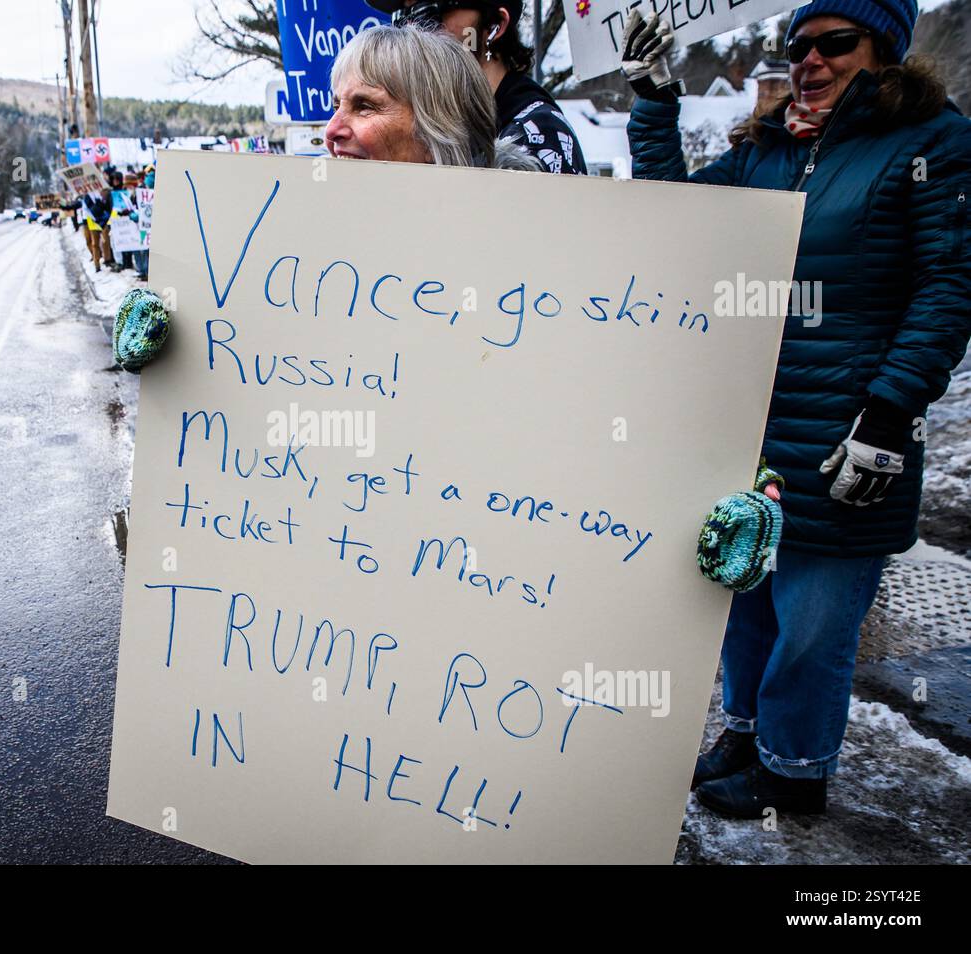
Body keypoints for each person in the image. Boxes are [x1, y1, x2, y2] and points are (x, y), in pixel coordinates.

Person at [623, 0, 971, 818]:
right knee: (746, 597)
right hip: (753, 431)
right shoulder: (768, 150)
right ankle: (745, 734)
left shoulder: (932, 143)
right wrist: (654, 101)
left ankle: (795, 772)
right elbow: (670, 217)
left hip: (849, 434)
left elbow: (949, 287)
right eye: (798, 46)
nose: (809, 60)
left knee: (813, 625)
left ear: (885, 49)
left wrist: (887, 417)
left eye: (833, 44)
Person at [367, 0, 586, 174]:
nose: (413, 30)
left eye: (429, 12)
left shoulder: (538, 131)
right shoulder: (431, 124)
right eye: (404, 17)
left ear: (494, 26)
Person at [325, 23, 539, 169]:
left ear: (437, 132)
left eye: (364, 106)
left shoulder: (510, 228)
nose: (331, 131)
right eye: (336, 107)